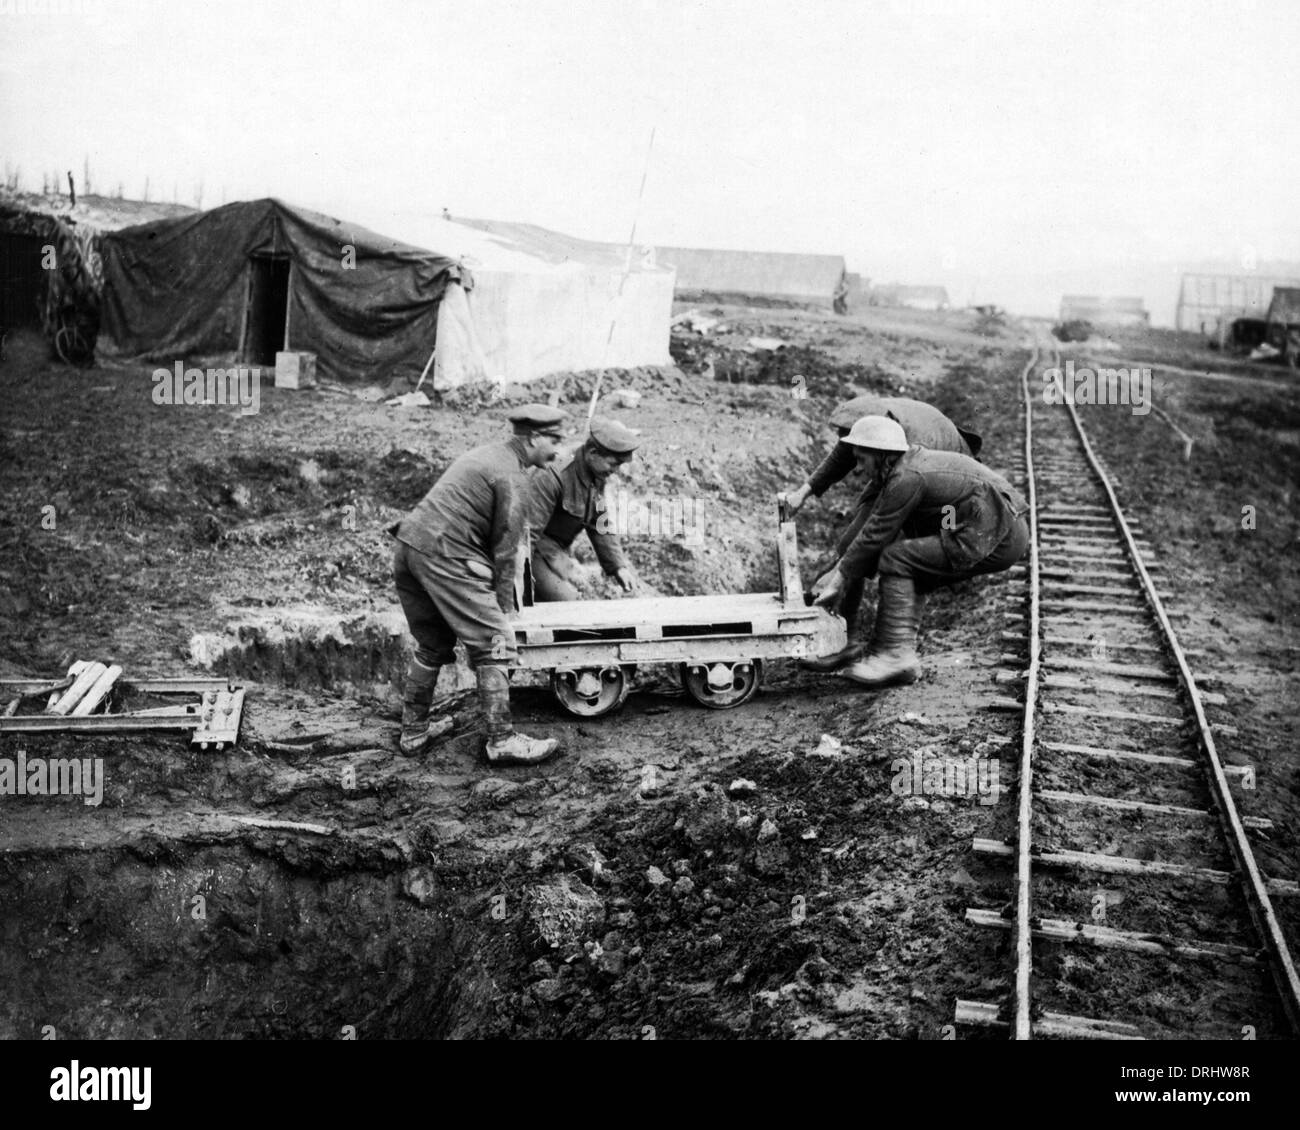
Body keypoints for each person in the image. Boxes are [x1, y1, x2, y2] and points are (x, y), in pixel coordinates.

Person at [390, 404, 568, 765]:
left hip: (409, 547)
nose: (558, 450)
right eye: (554, 440)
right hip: (443, 555)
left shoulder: (489, 455)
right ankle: (501, 740)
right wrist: (503, 612)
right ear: (532, 438)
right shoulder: (513, 476)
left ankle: (413, 731)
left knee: (433, 643)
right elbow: (506, 549)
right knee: (493, 644)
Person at [812, 416, 1028, 688]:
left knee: (897, 557)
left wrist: (836, 581)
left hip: (1000, 534)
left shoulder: (907, 477)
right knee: (912, 563)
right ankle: (892, 653)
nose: (857, 468)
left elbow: (875, 534)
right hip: (994, 528)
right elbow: (873, 533)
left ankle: (894, 656)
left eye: (862, 459)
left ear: (881, 456)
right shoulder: (904, 469)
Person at [787, 394, 983, 671]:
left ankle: (894, 648)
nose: (856, 470)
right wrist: (802, 493)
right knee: (850, 546)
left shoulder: (911, 452)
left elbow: (878, 528)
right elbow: (842, 455)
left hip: (943, 484)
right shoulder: (875, 426)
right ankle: (846, 640)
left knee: (902, 556)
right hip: (894, 468)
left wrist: (840, 572)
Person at [526, 416, 641, 601]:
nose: (616, 471)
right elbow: (525, 535)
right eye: (613, 464)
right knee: (570, 605)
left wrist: (618, 566)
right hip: (533, 550)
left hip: (556, 550)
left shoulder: (596, 473)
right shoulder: (552, 474)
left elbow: (599, 522)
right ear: (593, 453)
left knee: (583, 595)